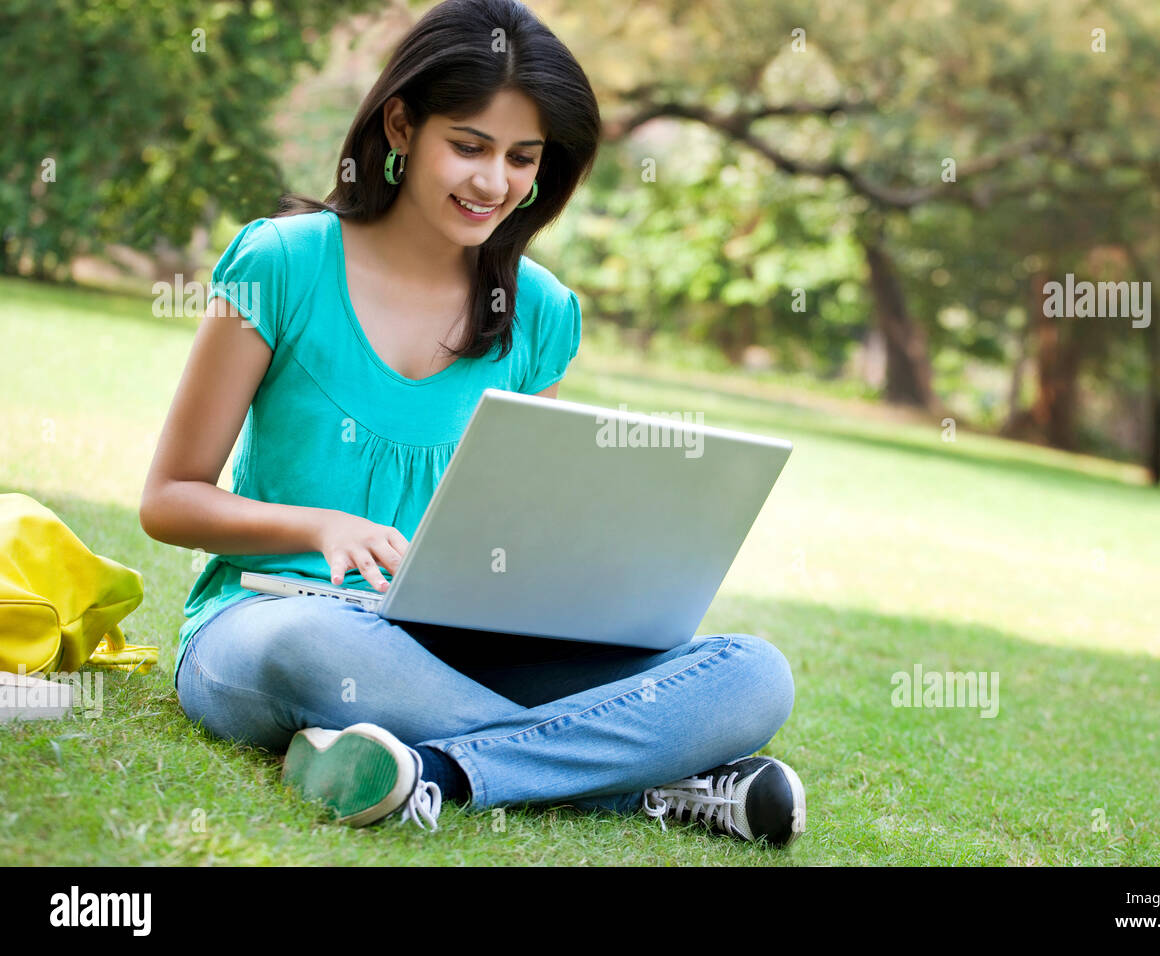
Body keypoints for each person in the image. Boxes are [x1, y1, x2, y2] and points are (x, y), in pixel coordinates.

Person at [139, 0, 805, 847]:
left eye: (522, 158)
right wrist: (319, 526)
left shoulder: (542, 312)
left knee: (753, 675)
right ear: (402, 125)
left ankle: (439, 774)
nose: (494, 182)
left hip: (456, 646)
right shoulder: (282, 262)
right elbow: (169, 500)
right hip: (276, 625)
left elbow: (528, 527)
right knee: (318, 643)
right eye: (470, 146)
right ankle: (648, 781)